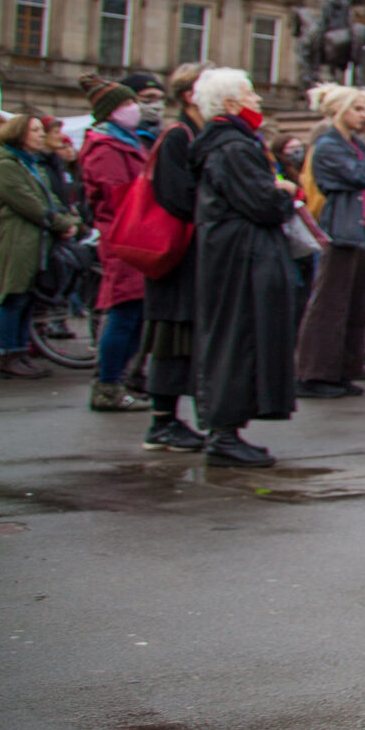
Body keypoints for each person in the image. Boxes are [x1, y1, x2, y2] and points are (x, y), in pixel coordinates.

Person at [185, 68, 301, 468]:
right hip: (242, 256)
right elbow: (262, 203)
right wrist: (284, 193)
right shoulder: (234, 146)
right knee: (239, 338)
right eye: (251, 94)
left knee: (236, 337)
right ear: (231, 104)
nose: (258, 100)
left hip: (234, 251)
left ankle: (226, 429)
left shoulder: (228, 143)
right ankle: (224, 432)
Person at [294, 85, 365, 399]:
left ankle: (342, 369)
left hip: (364, 228)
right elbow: (360, 176)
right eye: (357, 109)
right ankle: (315, 373)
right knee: (331, 302)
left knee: (355, 303)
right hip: (341, 229)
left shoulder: (358, 145)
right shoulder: (328, 145)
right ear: (338, 111)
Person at [137, 65, 210, 448]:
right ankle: (162, 421)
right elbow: (177, 196)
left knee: (185, 337)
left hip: (192, 253)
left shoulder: (196, 132)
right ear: (190, 95)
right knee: (171, 337)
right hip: (177, 255)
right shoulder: (179, 135)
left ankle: (171, 420)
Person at [75, 77, 154, 411]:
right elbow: (117, 194)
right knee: (124, 313)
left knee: (134, 312)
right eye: (126, 103)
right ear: (110, 112)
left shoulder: (125, 141)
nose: (133, 108)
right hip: (123, 237)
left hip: (135, 234)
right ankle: (108, 384)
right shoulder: (105, 147)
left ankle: (120, 380)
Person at [0, 110, 79, 379]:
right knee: (13, 297)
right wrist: (62, 224)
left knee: (26, 297)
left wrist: (69, 220)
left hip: (34, 241)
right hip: (15, 241)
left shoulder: (30, 164)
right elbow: (31, 205)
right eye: (35, 130)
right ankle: (8, 354)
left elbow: (50, 199)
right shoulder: (4, 166)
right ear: (19, 134)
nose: (41, 135)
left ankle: (20, 351)